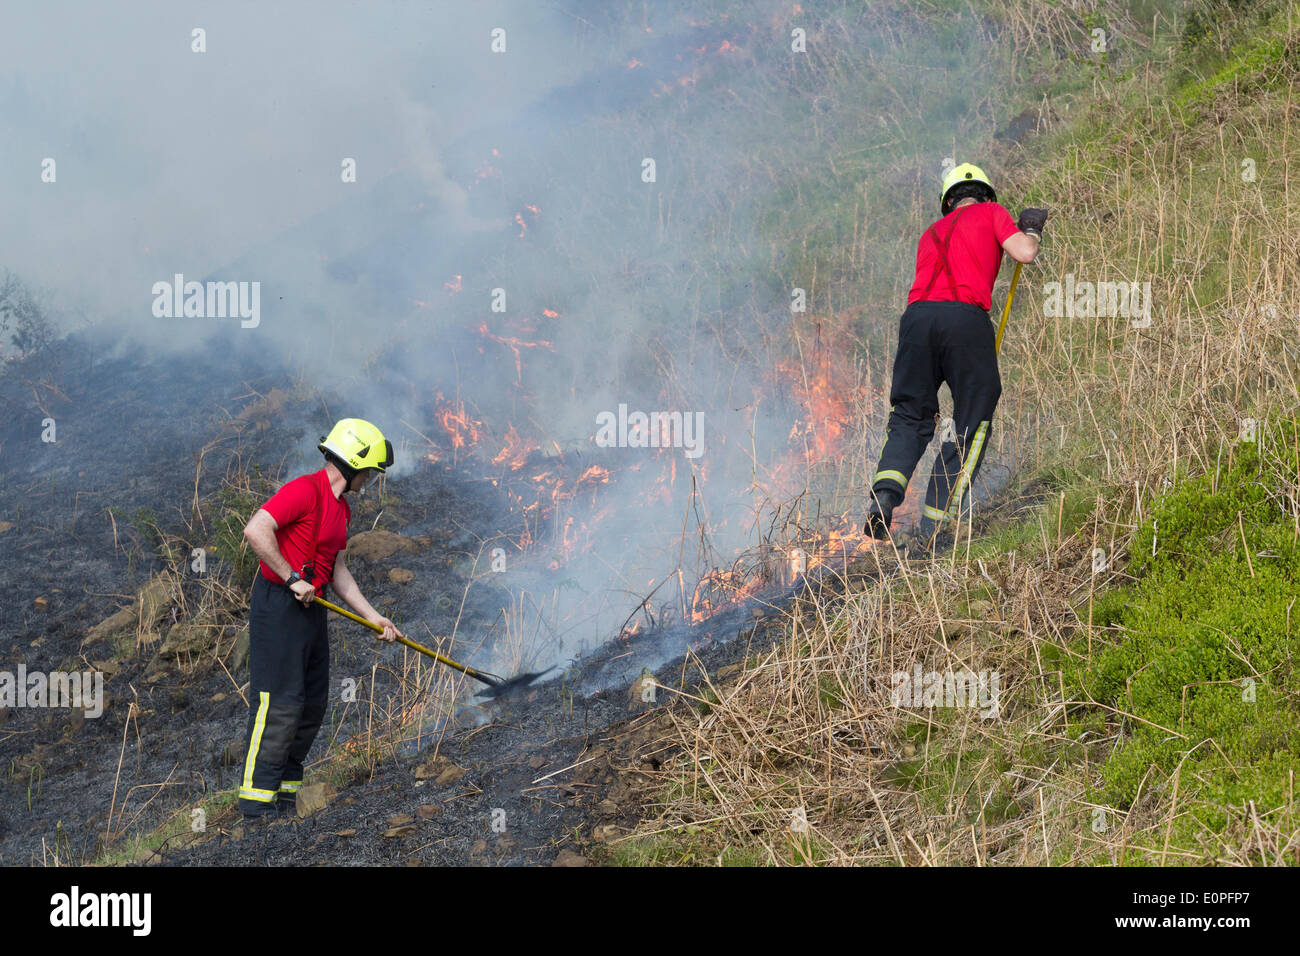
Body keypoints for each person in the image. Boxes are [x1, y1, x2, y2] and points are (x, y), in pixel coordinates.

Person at [864, 163, 1048, 545]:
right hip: (964, 319)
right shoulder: (992, 213)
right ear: (986, 195)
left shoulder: (930, 232)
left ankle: (885, 494)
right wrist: (1030, 228)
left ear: (949, 202)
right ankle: (935, 524)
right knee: (972, 416)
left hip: (916, 321)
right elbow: (1025, 253)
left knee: (909, 414)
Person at [237, 418, 405, 818]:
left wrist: (375, 617)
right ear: (354, 463)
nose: (371, 479)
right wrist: (292, 577)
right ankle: (257, 808)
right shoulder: (302, 491)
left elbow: (339, 572)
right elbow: (255, 530)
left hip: (312, 607)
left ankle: (285, 800)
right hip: (279, 605)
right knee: (278, 703)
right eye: (370, 471)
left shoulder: (341, 509)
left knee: (311, 703)